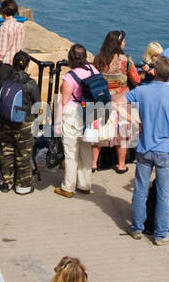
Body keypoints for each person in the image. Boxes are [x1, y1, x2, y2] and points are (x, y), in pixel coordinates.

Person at [125, 54, 169, 243]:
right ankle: (160, 234)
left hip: (144, 145)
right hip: (165, 148)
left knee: (141, 189)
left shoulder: (141, 91)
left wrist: (135, 121)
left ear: (154, 72)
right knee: (164, 193)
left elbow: (118, 105)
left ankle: (137, 227)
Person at [54, 43, 101, 199]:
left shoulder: (70, 76)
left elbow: (63, 101)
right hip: (90, 112)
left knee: (71, 151)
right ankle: (85, 184)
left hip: (73, 114)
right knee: (85, 149)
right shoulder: (94, 70)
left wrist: (57, 123)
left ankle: (68, 187)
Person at [0, 49, 38, 194]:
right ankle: (23, 185)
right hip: (23, 122)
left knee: (6, 150)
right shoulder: (30, 83)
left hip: (4, 120)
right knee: (23, 153)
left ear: (13, 63)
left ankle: (6, 182)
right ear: (27, 66)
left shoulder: (5, 79)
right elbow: (37, 104)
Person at [92, 30, 140, 174]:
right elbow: (136, 80)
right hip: (122, 100)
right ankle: (121, 165)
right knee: (123, 133)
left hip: (103, 99)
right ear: (118, 43)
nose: (125, 43)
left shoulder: (98, 59)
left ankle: (93, 163)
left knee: (99, 132)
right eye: (123, 41)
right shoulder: (126, 60)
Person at [0, 0, 23, 67]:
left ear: (3, 11)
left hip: (4, 64)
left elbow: (1, 53)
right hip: (15, 62)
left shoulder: (4, 28)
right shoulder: (20, 25)